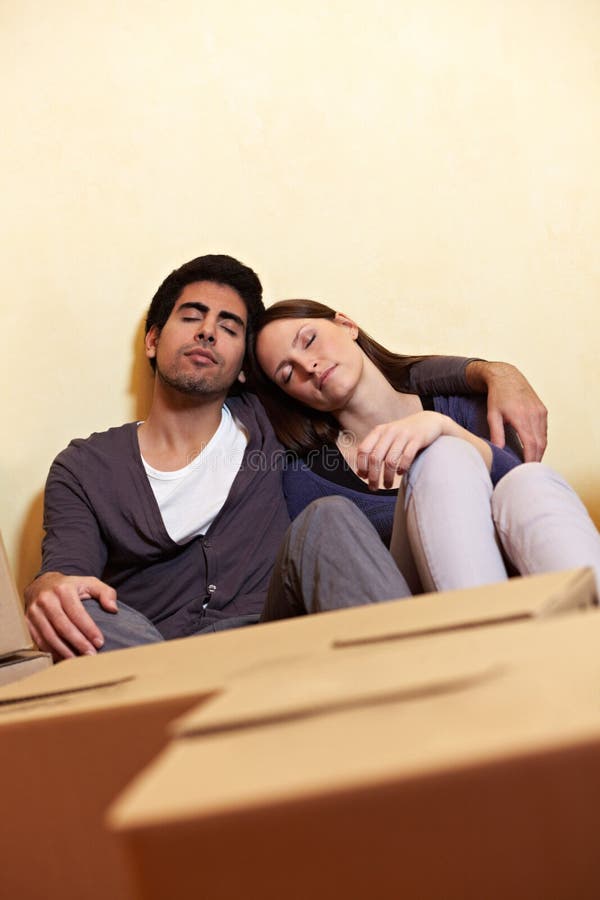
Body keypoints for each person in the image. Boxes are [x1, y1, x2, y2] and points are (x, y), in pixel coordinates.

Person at [24, 255, 551, 659]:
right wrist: (49, 586)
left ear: (241, 368)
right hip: (157, 657)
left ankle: (425, 693)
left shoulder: (270, 422)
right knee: (81, 605)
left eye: (230, 327)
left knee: (331, 519)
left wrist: (491, 372)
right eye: (192, 318)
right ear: (154, 341)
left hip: (276, 639)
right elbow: (66, 571)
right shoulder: (83, 467)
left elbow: (373, 373)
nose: (210, 330)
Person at [247, 298, 600, 615]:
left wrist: (442, 426)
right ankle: (483, 648)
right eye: (288, 373)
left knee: (528, 479)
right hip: (410, 608)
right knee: (442, 457)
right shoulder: (308, 477)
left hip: (518, 576)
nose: (308, 364)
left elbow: (516, 477)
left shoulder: (467, 407)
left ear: (346, 325)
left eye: (309, 340)